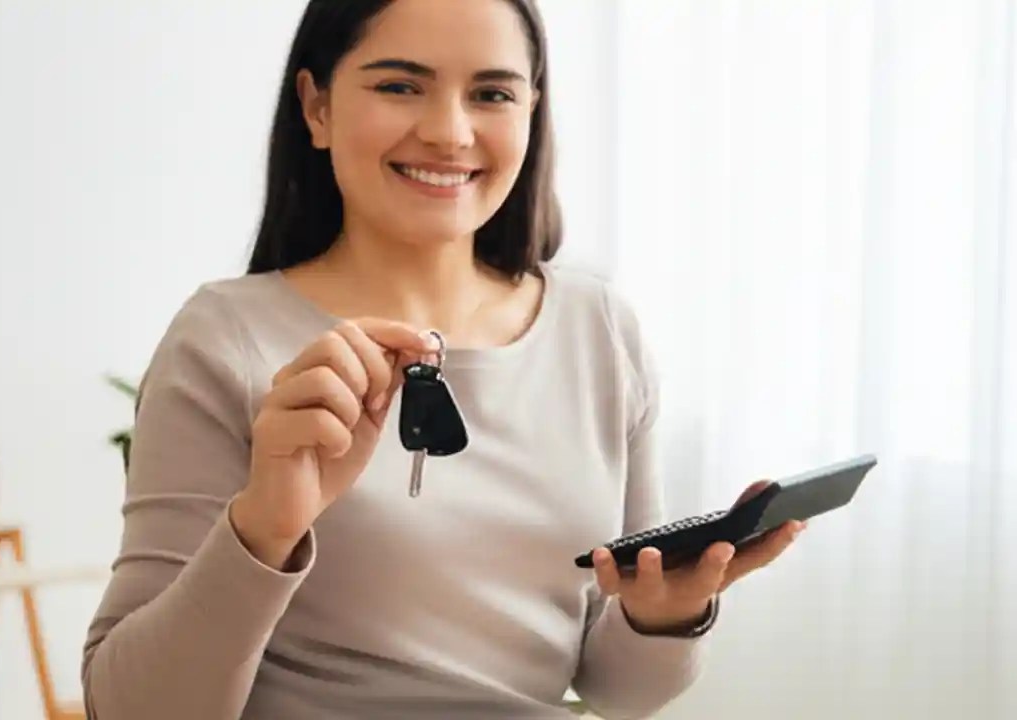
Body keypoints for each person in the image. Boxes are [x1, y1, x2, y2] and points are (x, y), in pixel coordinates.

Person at [80, 0, 805, 718]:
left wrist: (666, 614)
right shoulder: (225, 339)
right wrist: (264, 526)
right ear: (317, 106)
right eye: (400, 85)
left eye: (491, 94)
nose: (449, 132)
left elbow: (621, 691)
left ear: (531, 111)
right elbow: (133, 708)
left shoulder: (601, 330)